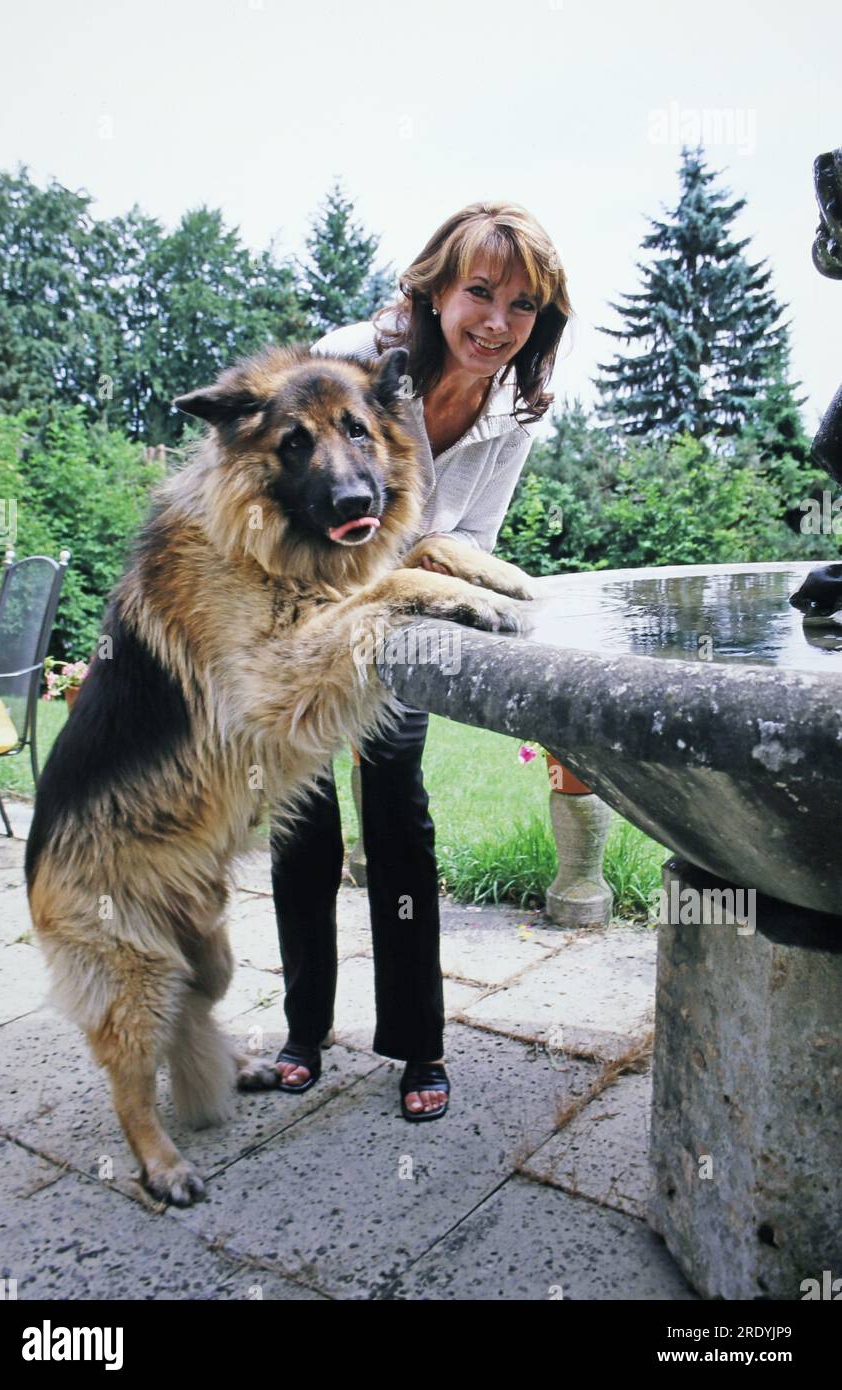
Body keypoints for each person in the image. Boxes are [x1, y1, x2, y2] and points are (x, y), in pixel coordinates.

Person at [270, 200, 573, 1119]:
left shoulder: (513, 415)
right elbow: (291, 498)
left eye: (522, 307)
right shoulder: (349, 359)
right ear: (435, 289)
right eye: (479, 292)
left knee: (398, 808)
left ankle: (418, 1046)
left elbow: (470, 536)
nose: (496, 321)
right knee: (303, 814)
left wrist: (429, 560)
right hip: (303, 610)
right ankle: (303, 1027)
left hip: (401, 617)